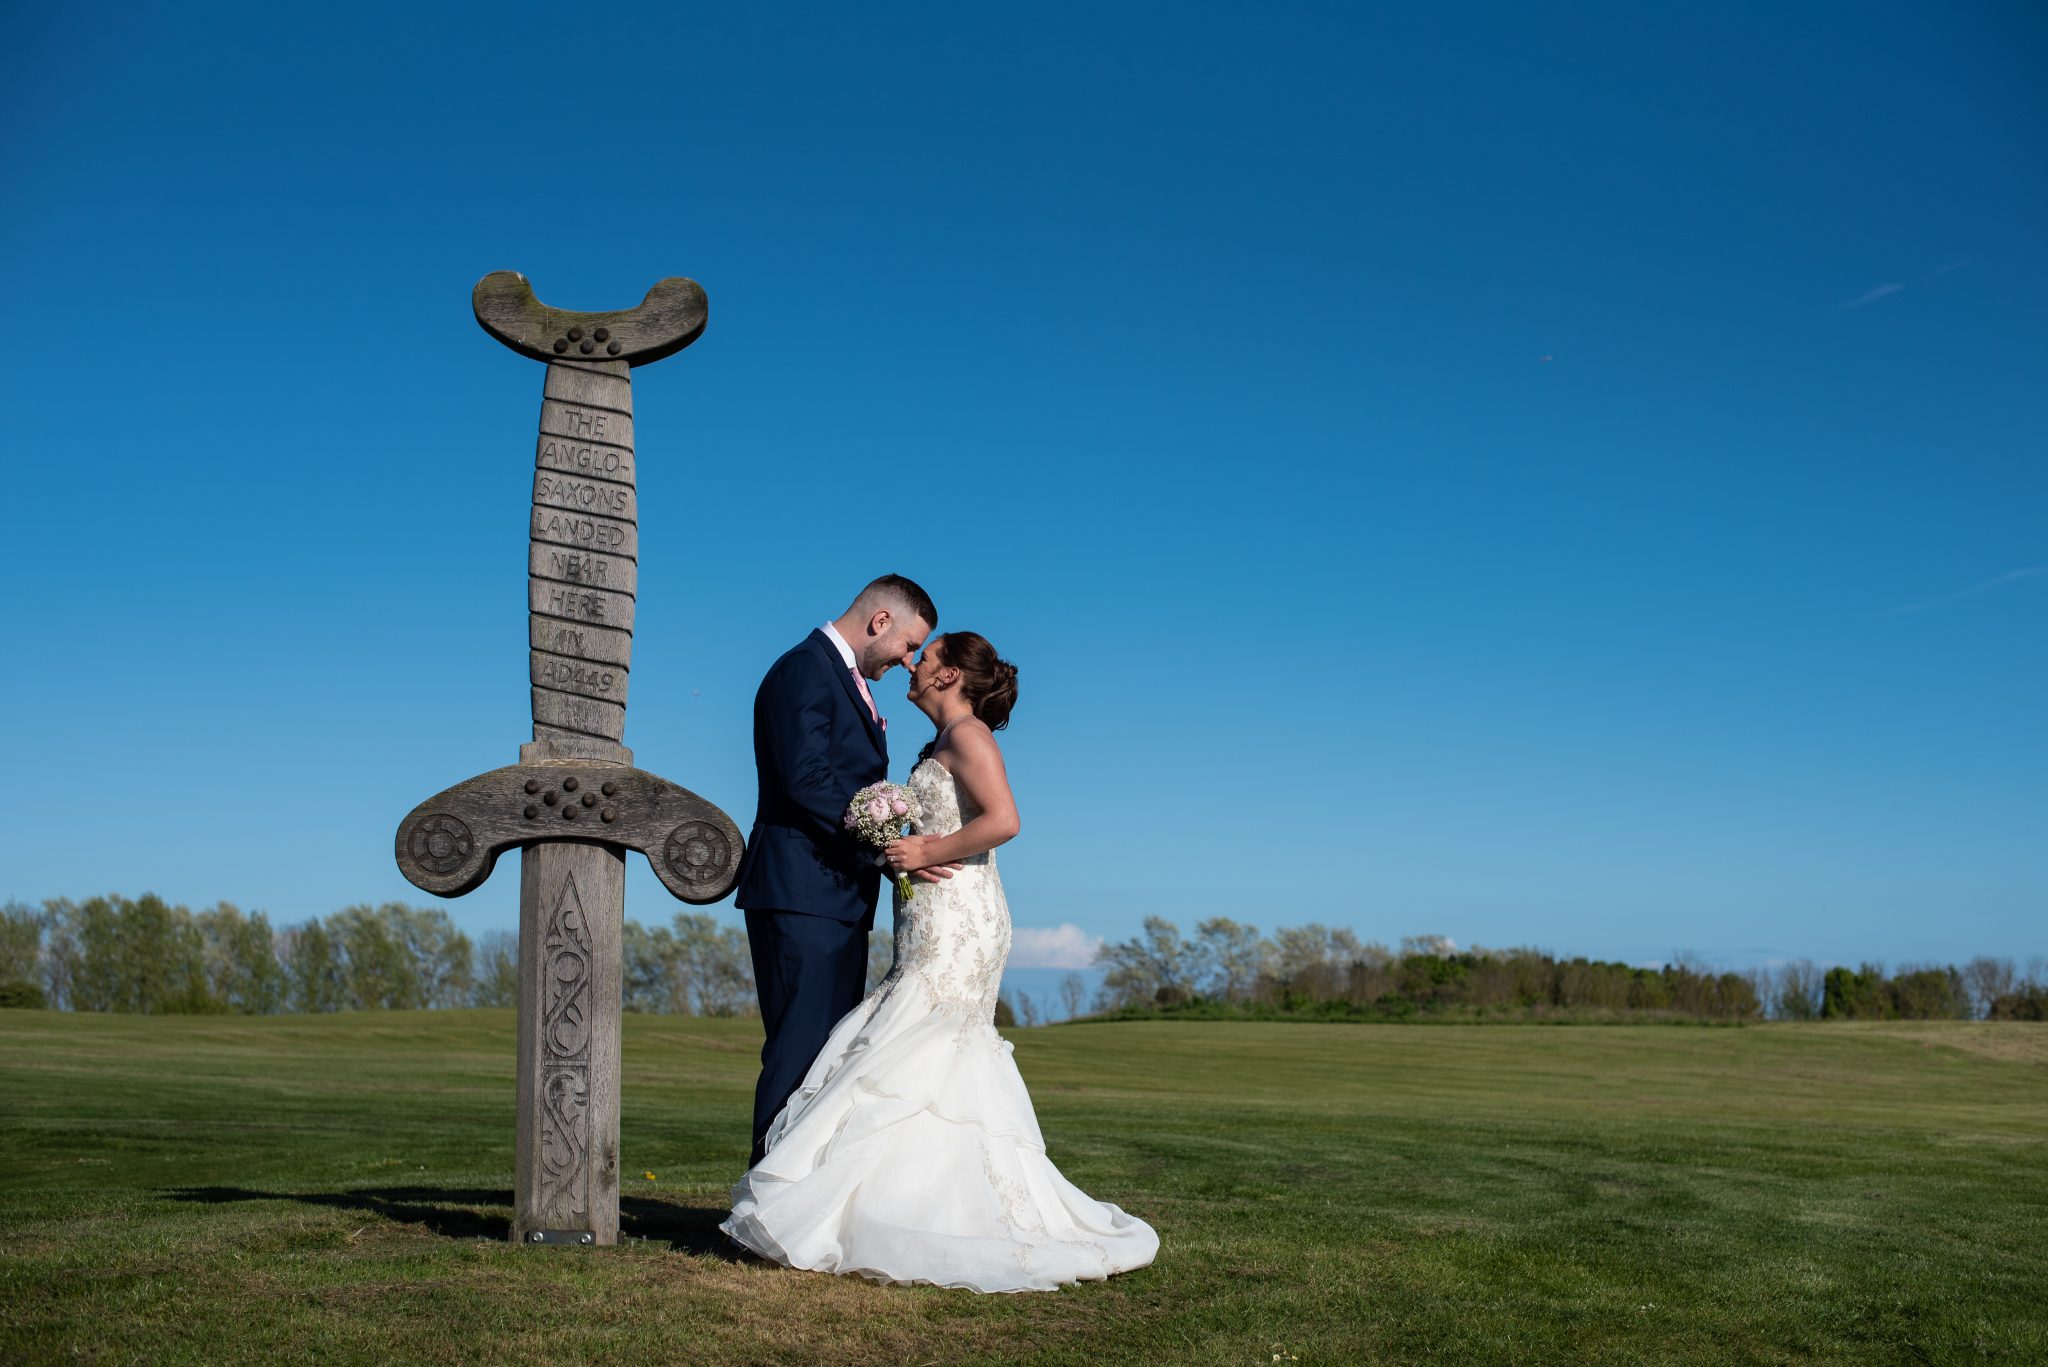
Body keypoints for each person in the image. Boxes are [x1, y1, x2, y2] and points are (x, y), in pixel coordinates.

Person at [723, 631, 1159, 1292]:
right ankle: (900, 1202)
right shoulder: (942, 740)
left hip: (960, 916)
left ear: (950, 673)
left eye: (924, 657)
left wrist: (924, 852)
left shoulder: (970, 735)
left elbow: (1004, 819)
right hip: (930, 911)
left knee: (923, 1036)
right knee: (913, 1044)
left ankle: (920, 1213)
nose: (913, 662)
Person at [732, 574, 944, 1165]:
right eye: (907, 645)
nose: (909, 663)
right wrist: (884, 846)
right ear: (880, 621)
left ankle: (793, 1193)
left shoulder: (843, 678)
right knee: (798, 1050)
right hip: (801, 891)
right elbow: (805, 782)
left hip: (836, 894)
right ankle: (760, 1201)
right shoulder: (803, 669)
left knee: (827, 1054)